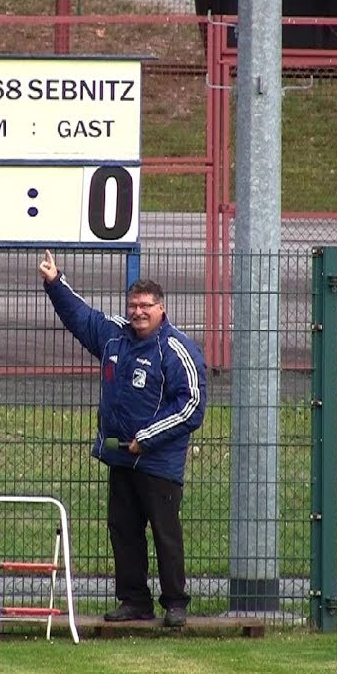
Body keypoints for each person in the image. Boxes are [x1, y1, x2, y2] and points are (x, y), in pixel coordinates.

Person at [37, 250, 207, 628]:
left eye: (146, 306)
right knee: (124, 531)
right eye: (133, 305)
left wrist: (146, 438)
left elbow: (191, 405)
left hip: (158, 462)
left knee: (165, 533)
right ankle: (134, 601)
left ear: (162, 309)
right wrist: (54, 282)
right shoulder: (114, 336)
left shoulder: (177, 350)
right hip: (120, 459)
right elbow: (81, 317)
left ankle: (175, 603)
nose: (138, 312)